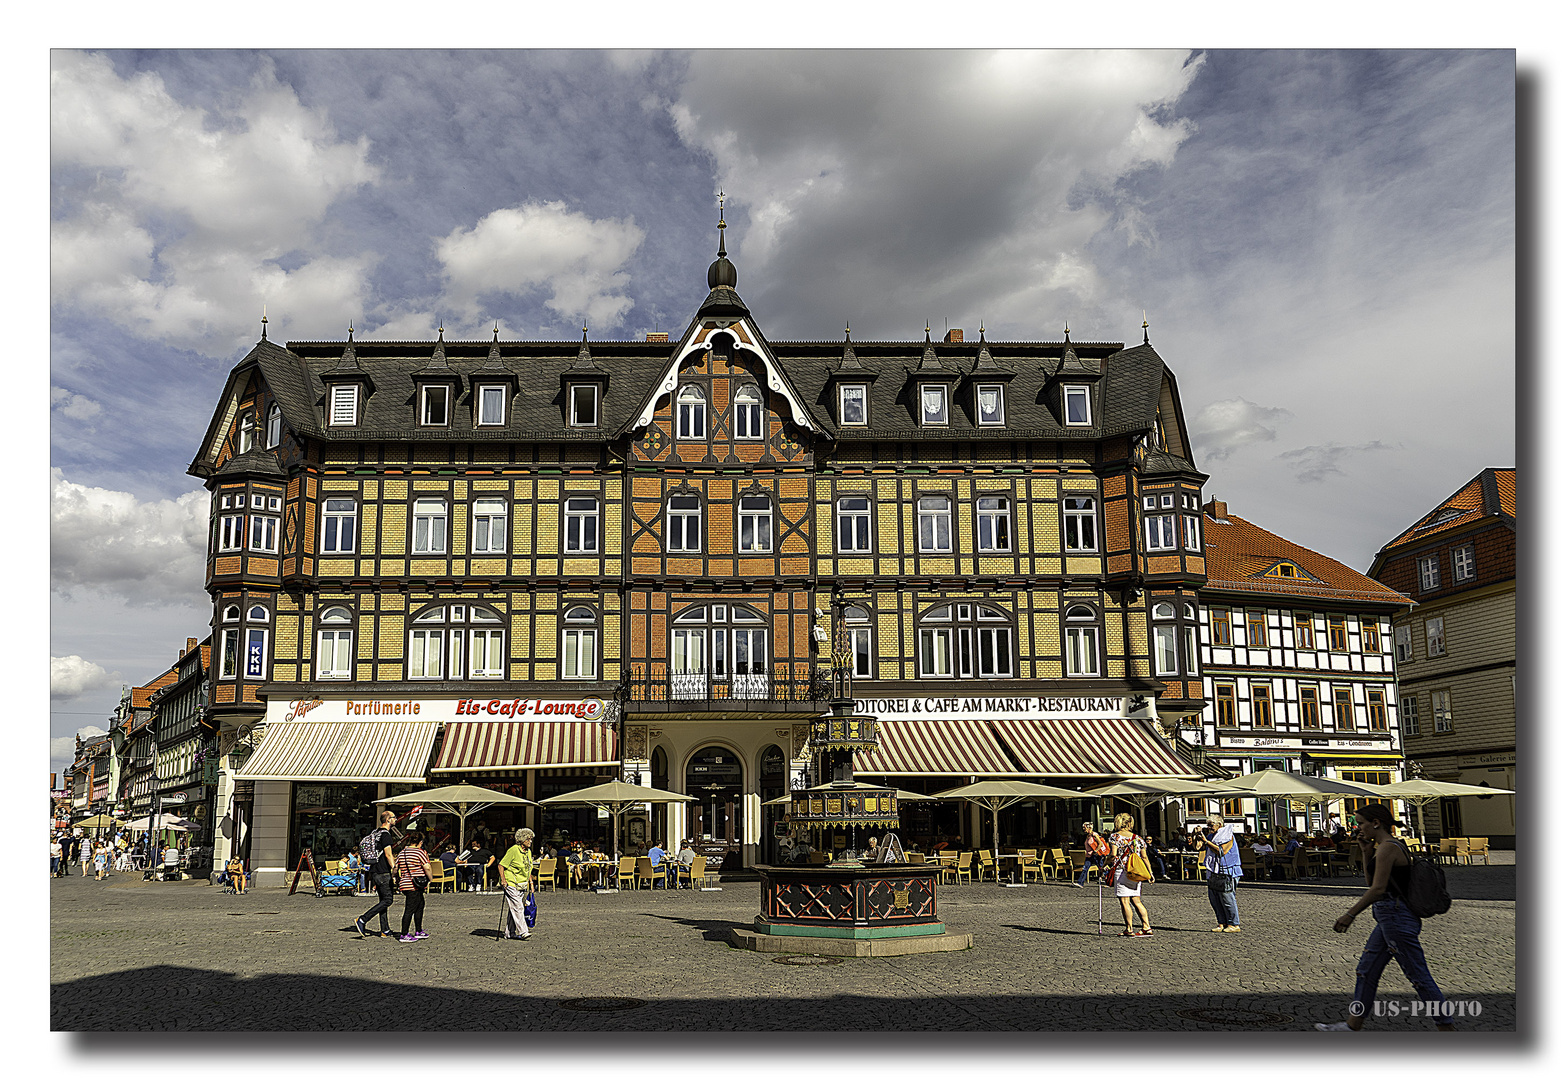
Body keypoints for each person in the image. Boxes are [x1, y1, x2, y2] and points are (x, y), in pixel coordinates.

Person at [1316, 802, 1455, 1031]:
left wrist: (1350, 914)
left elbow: (1378, 889)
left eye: (1361, 823)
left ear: (1376, 823)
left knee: (1418, 975)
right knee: (1366, 970)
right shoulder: (1385, 847)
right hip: (1389, 916)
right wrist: (1365, 852)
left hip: (1395, 916)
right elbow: (1371, 882)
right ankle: (1352, 1025)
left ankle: (1446, 1028)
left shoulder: (1388, 848)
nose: (1358, 828)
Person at [1105, 813, 1153, 936]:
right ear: (1130, 823)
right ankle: (1146, 926)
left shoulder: (1115, 837)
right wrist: (1150, 873)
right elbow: (1144, 857)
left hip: (1122, 871)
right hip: (1135, 872)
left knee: (1124, 901)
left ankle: (1129, 928)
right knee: (1136, 900)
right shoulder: (1138, 838)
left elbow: (1113, 854)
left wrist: (1105, 864)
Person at [1192, 814, 1242, 931]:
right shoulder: (1211, 836)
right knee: (1214, 898)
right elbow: (1198, 847)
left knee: (1227, 898)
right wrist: (1195, 835)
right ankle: (1222, 923)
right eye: (1208, 825)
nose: (1209, 827)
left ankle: (1234, 924)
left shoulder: (1228, 835)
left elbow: (1221, 851)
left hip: (1228, 870)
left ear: (1219, 824)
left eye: (1211, 825)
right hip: (1214, 870)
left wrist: (1206, 841)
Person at [355, 810, 400, 939]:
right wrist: (394, 868)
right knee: (388, 900)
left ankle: (384, 929)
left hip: (374, 870)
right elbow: (388, 854)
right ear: (388, 820)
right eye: (394, 817)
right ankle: (363, 919)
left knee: (383, 901)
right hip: (383, 871)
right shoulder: (385, 835)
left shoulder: (375, 833)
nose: (396, 819)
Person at [498, 828, 535, 940]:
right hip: (511, 882)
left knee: (513, 908)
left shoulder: (528, 852)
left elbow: (528, 868)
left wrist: (531, 882)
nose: (530, 841)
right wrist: (503, 880)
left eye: (531, 839)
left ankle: (509, 933)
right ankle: (523, 931)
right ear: (522, 840)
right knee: (518, 907)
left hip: (522, 883)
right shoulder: (513, 850)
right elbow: (501, 865)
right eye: (528, 839)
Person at [395, 832, 432, 942]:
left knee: (420, 905)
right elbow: (427, 867)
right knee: (410, 909)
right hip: (415, 884)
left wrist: (395, 878)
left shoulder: (402, 852)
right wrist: (430, 879)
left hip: (405, 883)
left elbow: (395, 868)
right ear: (420, 842)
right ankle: (404, 934)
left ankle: (418, 930)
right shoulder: (419, 852)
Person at [1073, 821, 1109, 887]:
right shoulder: (1088, 836)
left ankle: (1110, 881)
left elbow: (1100, 844)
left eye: (1084, 828)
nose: (1083, 829)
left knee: (1101, 867)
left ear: (1089, 828)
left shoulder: (1094, 835)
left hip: (1095, 855)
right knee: (1085, 868)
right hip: (1089, 855)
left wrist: (1095, 851)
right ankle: (1080, 883)